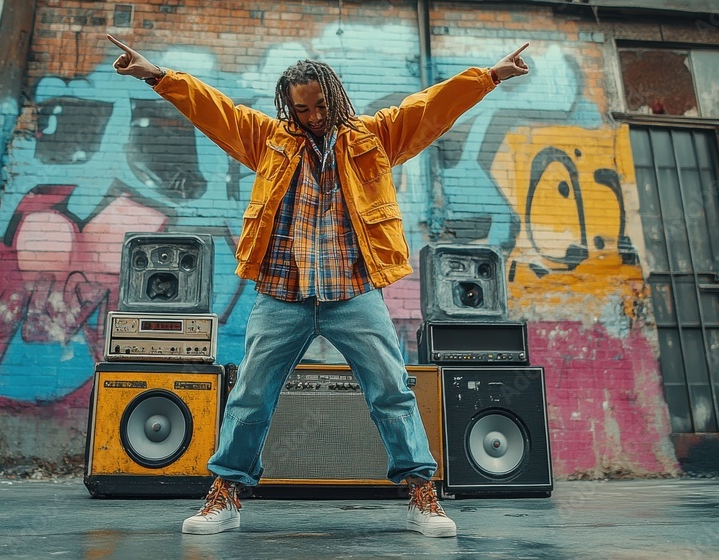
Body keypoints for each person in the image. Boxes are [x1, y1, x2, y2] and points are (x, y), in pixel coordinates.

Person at [108, 33, 530, 537]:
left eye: (320, 105)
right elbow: (214, 110)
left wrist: (490, 75)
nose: (313, 116)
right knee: (250, 395)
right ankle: (226, 493)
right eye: (302, 109)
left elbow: (430, 107)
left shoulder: (374, 137)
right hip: (281, 292)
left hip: (353, 291)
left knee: (392, 391)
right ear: (289, 107)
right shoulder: (269, 140)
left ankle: (422, 493)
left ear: (335, 95)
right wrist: (156, 75)